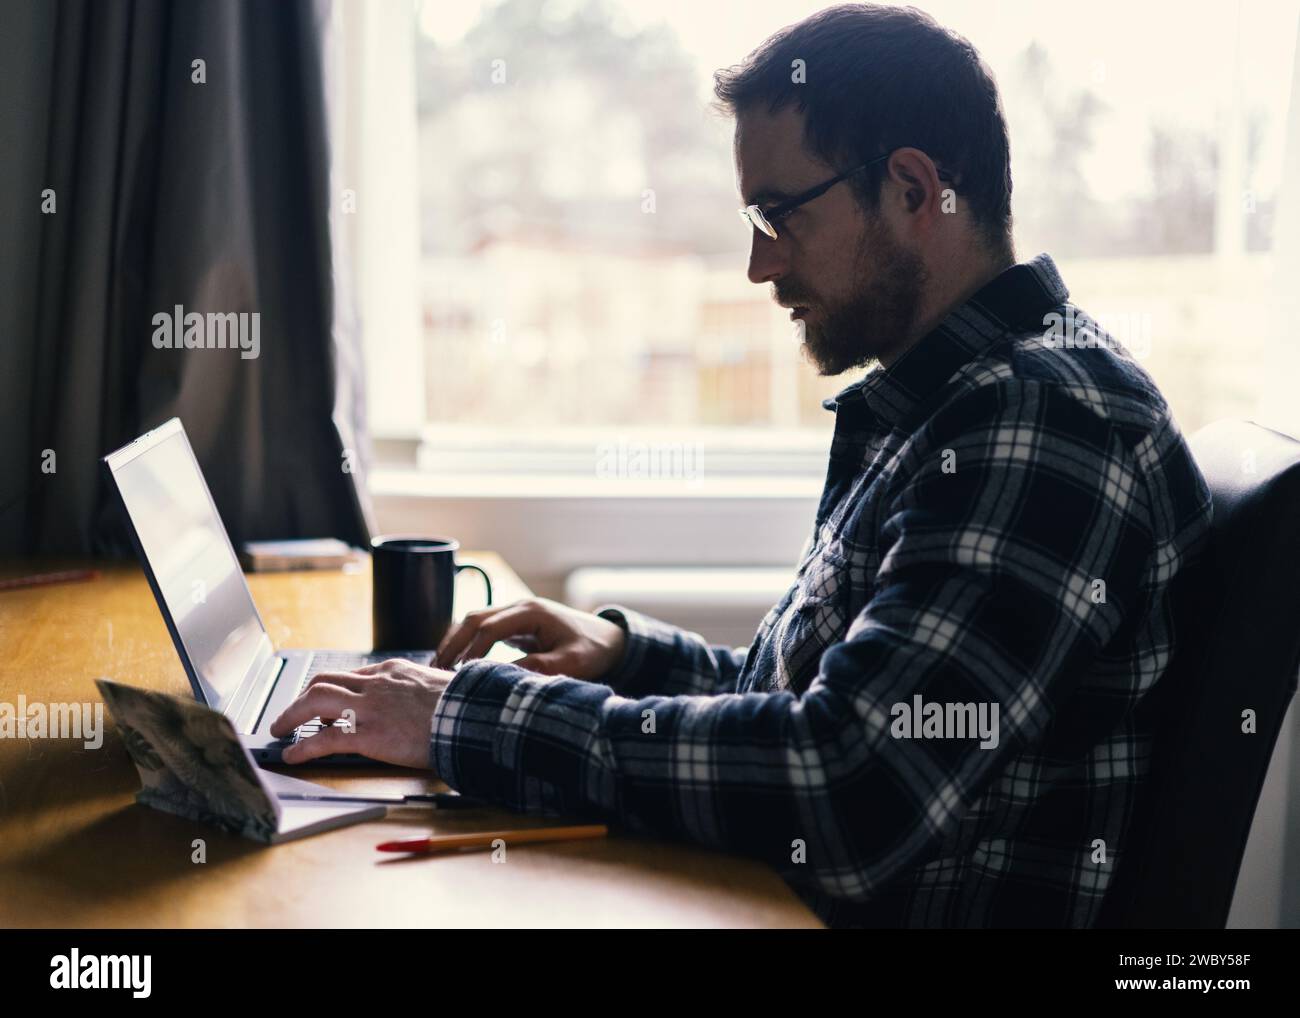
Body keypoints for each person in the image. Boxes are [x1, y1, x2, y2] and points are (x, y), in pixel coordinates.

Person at [272, 4, 1213, 928]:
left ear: (916, 191)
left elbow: (846, 783)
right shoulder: (954, 402)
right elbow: (821, 706)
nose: (760, 267)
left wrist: (463, 716)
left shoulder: (1043, 421)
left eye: (778, 215)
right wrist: (630, 658)